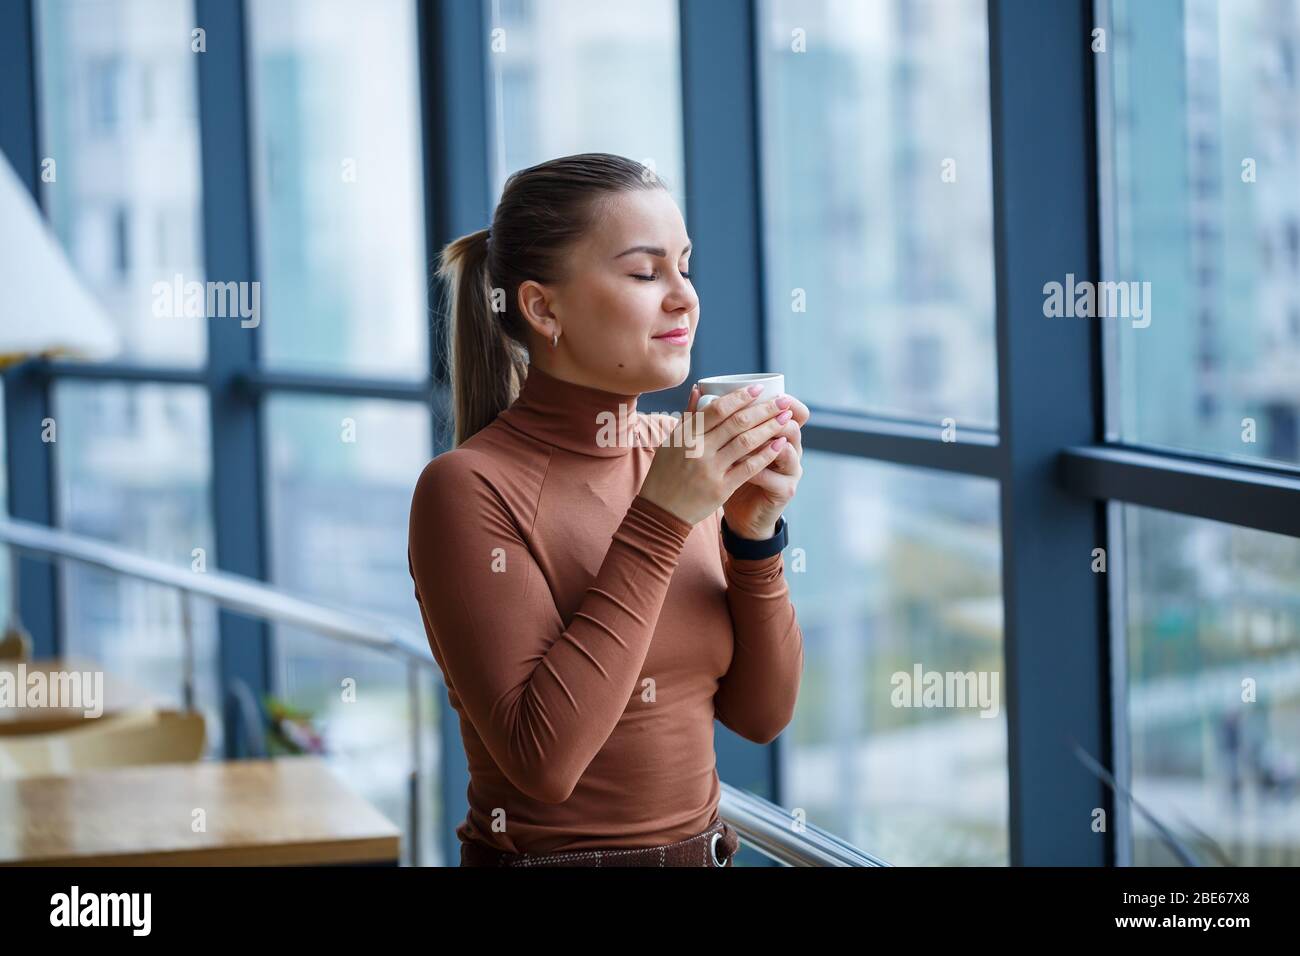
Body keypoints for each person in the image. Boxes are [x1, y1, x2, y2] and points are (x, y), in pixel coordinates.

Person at [408, 152, 807, 867]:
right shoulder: (466, 488)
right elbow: (544, 761)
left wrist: (754, 537)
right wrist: (662, 518)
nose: (684, 298)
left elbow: (761, 715)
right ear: (543, 308)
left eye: (685, 267)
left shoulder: (677, 456)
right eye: (646, 273)